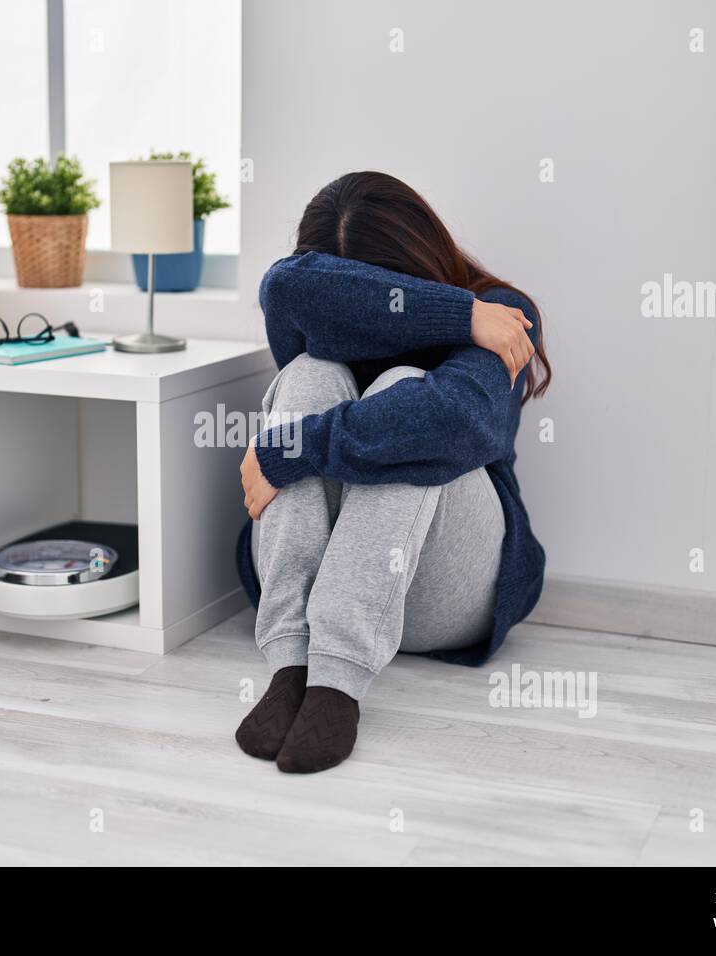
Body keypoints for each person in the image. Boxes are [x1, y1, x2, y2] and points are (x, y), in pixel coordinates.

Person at [233, 171, 551, 773]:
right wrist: (458, 316)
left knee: (408, 397)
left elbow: (449, 416)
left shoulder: (505, 314)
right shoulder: (465, 314)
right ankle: (292, 665)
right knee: (307, 375)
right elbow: (284, 285)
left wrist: (288, 449)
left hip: (446, 591)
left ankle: (335, 683)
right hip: (306, 587)